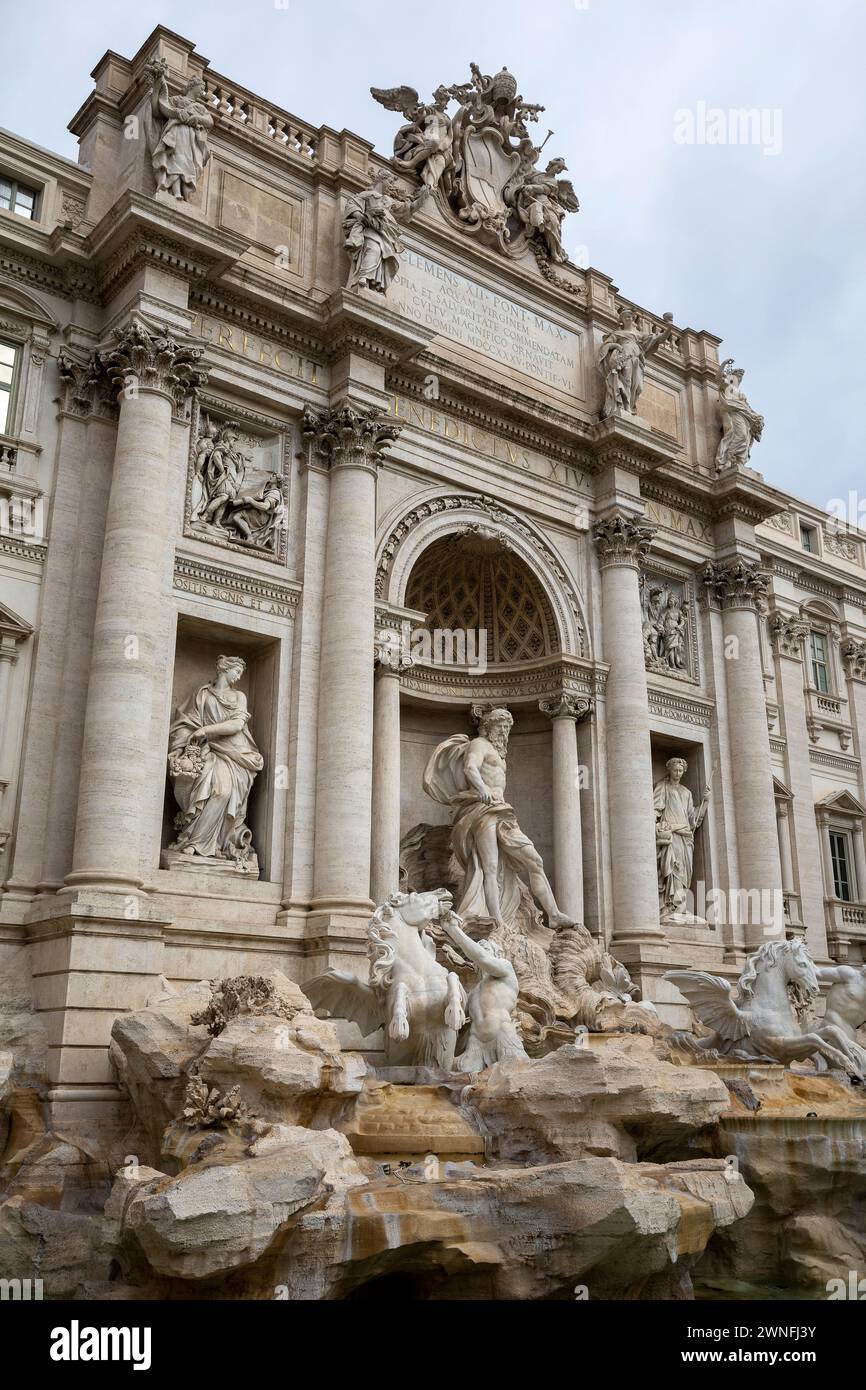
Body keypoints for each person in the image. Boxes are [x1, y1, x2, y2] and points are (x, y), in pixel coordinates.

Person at [424, 706, 576, 930]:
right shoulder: (479, 745)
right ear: (487, 727)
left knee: (535, 860)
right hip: (481, 809)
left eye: (507, 727)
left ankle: (553, 914)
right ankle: (497, 921)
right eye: (500, 726)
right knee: (490, 867)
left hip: (502, 811)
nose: (504, 731)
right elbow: (470, 768)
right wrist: (482, 788)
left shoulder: (499, 752)